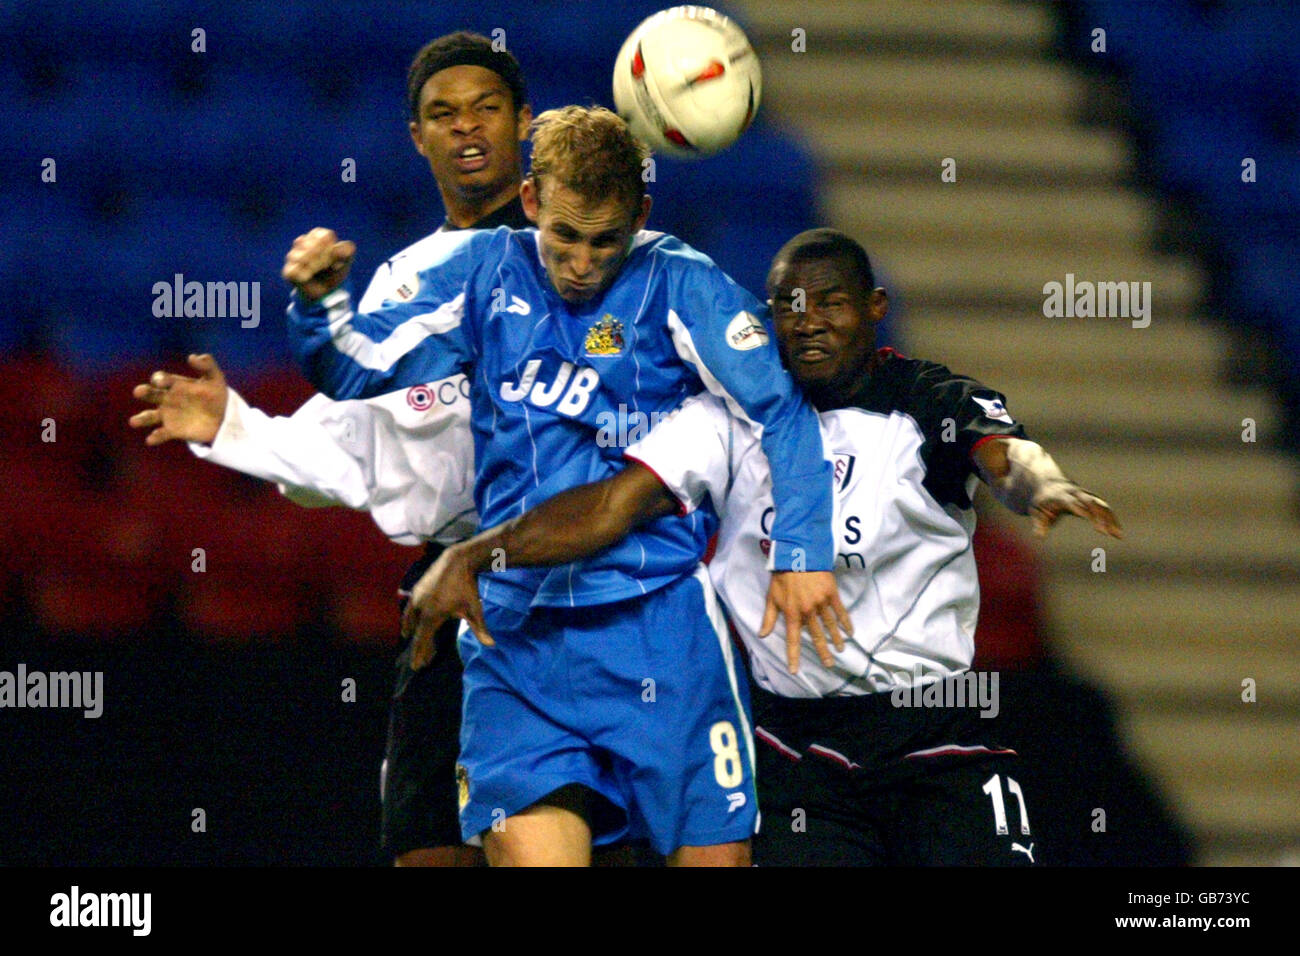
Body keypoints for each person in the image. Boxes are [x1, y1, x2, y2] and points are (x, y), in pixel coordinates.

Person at [401, 228, 1124, 865]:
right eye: (788, 305)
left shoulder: (925, 402)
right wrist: (475, 554)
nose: (807, 324)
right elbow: (610, 507)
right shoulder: (725, 418)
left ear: (874, 308)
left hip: (933, 738)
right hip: (792, 751)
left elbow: (1002, 455)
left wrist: (1046, 488)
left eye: (830, 302)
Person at [281, 106, 849, 866]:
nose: (582, 263)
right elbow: (358, 368)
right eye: (566, 237)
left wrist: (804, 552)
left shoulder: (683, 286)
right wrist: (319, 304)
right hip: (519, 638)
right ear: (531, 202)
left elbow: (781, 411)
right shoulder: (484, 273)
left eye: (605, 241)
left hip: (661, 632)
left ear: (640, 216)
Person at [129, 31, 531, 867]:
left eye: (487, 108)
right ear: (416, 137)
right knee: (427, 850)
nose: (467, 128)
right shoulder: (402, 282)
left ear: (524, 122)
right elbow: (351, 449)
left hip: (575, 580)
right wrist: (238, 428)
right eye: (442, 113)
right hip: (453, 591)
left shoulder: (578, 261)